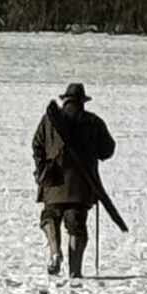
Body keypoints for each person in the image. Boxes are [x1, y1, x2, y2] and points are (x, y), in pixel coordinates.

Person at [31, 83, 116, 278]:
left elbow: (37, 145)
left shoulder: (49, 120)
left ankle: (54, 251)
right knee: (76, 226)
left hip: (53, 181)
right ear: (82, 101)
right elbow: (108, 149)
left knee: (50, 216)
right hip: (82, 184)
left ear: (65, 99)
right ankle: (75, 271)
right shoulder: (93, 122)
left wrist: (42, 167)